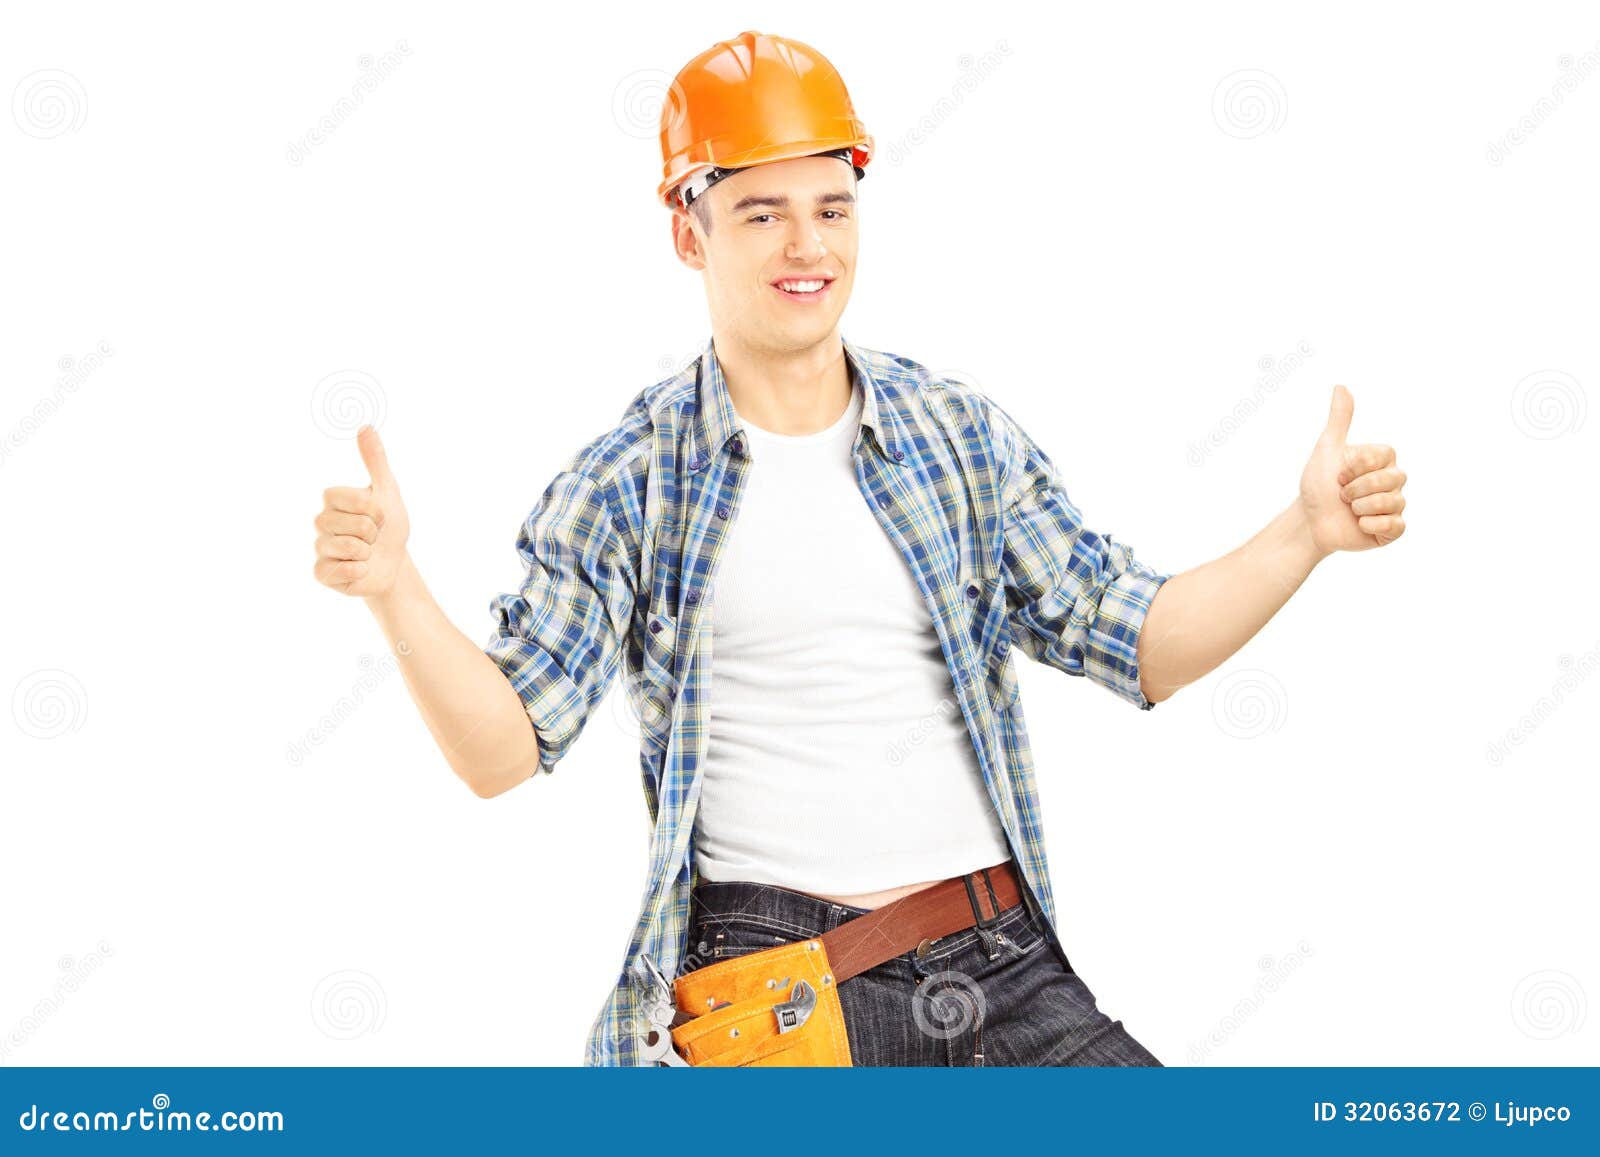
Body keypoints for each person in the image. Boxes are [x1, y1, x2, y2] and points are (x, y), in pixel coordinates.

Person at [311, 30, 1409, 1067]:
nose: (807, 245)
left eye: (832, 207)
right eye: (761, 213)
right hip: (778, 987)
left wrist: (1304, 533)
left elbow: (1136, 640)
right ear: (685, 231)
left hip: (1003, 961)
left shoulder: (954, 435)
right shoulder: (629, 478)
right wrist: (392, 587)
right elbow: (503, 750)